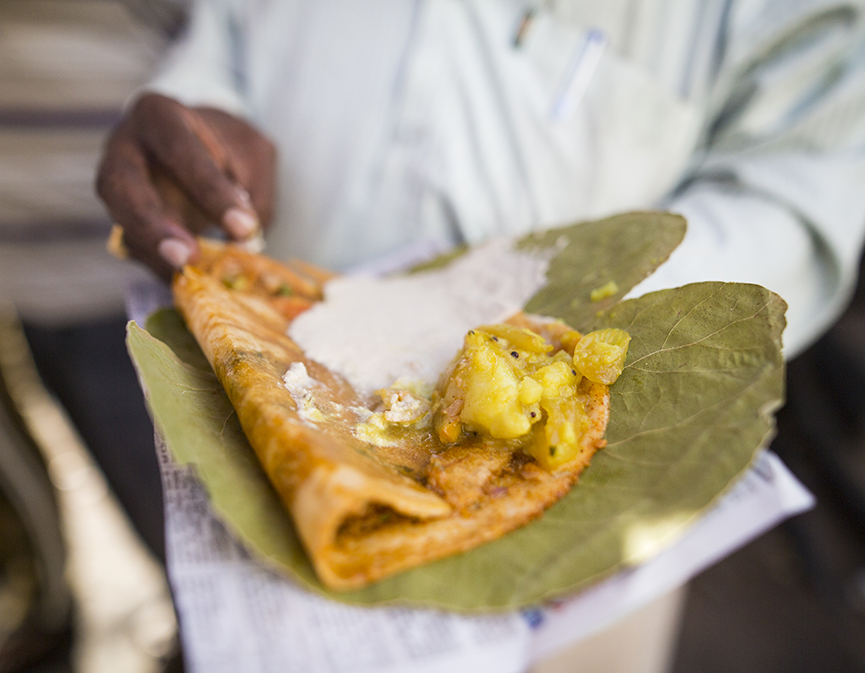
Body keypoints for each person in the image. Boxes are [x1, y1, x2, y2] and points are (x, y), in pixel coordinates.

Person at [95, 1, 865, 671]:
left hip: (586, 501)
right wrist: (200, 115)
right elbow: (225, 33)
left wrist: (536, 328)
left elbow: (800, 187)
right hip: (281, 344)